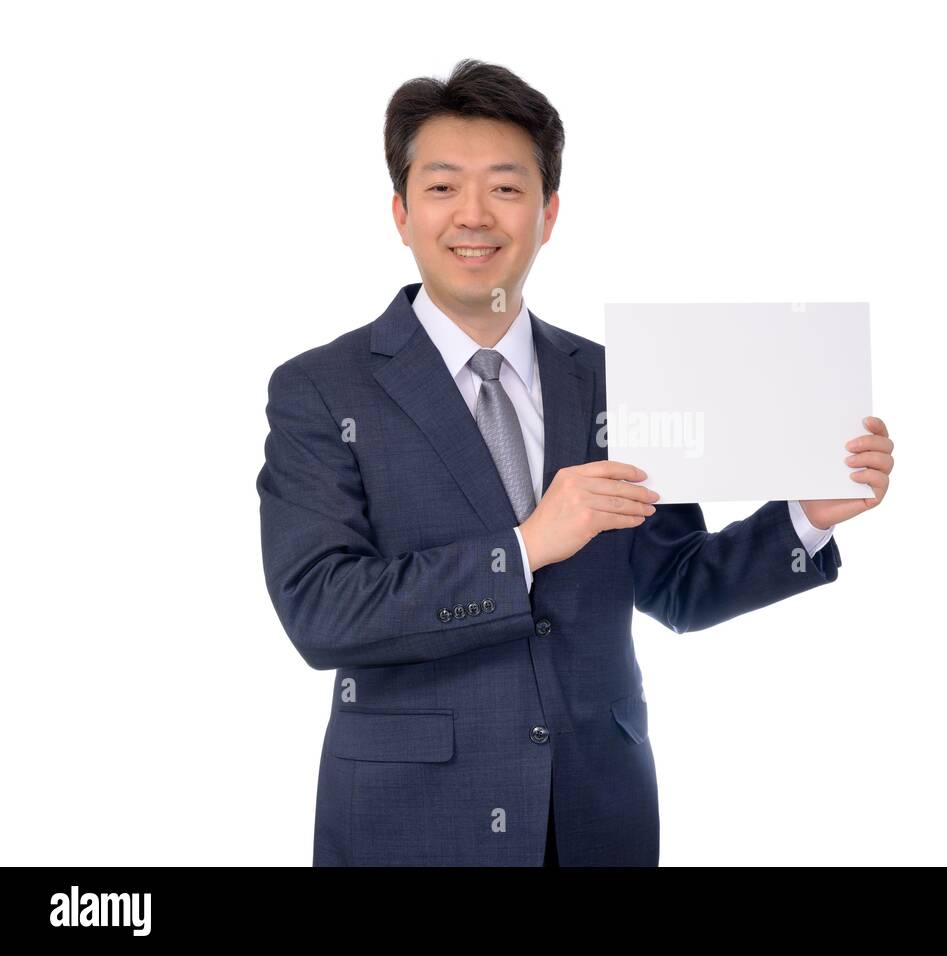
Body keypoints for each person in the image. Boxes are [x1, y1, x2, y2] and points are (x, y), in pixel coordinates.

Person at [256, 58, 894, 866]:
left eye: (508, 188)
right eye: (444, 187)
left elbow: (678, 587)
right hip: (411, 822)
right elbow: (323, 610)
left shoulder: (614, 378)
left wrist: (806, 516)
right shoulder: (321, 388)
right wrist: (522, 549)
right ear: (401, 211)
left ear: (549, 213)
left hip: (598, 813)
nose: (475, 216)